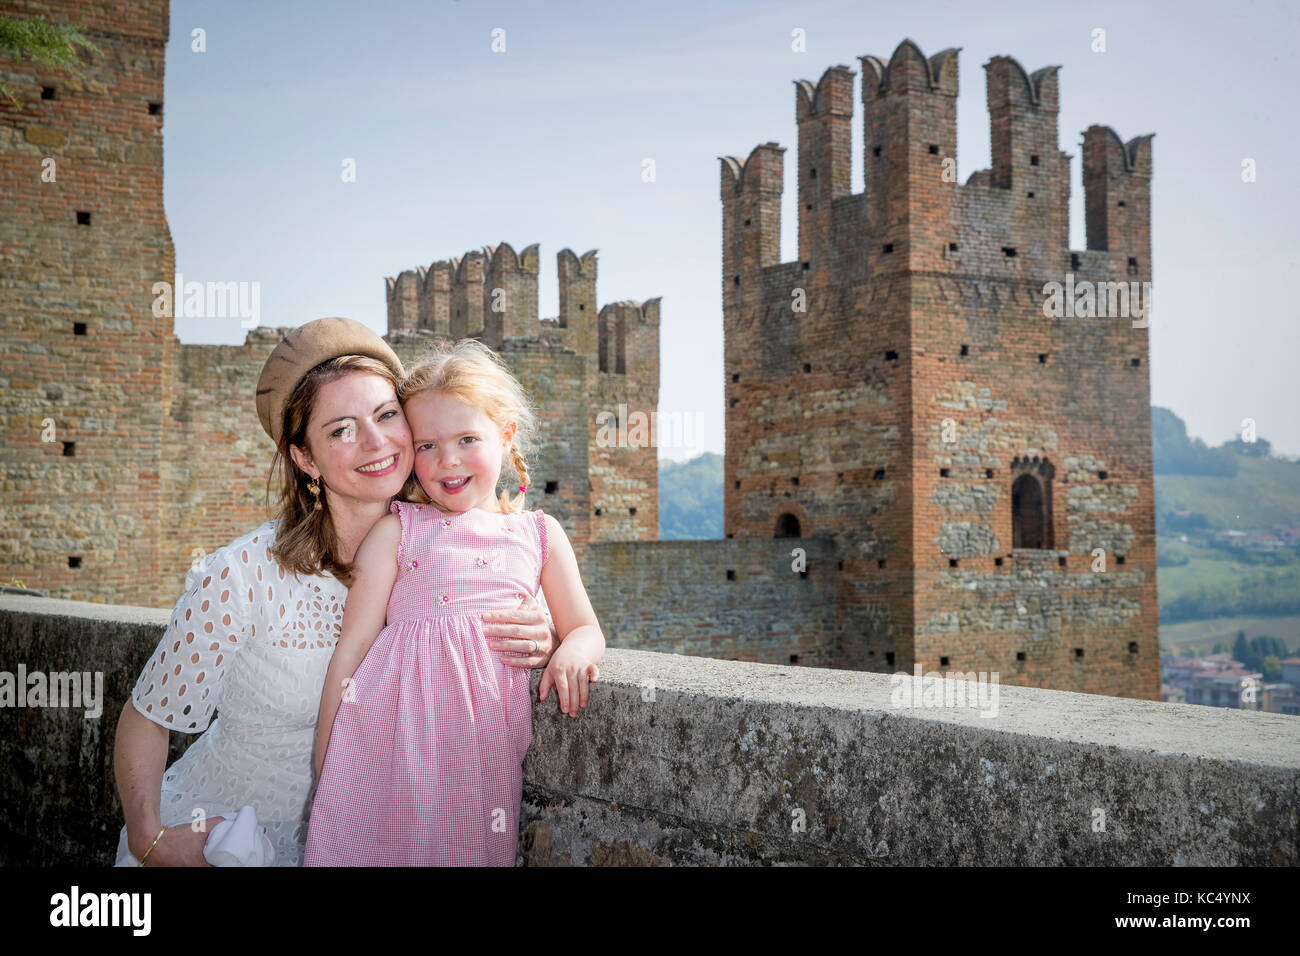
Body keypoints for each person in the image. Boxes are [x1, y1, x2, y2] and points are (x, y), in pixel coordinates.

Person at [112, 318, 559, 866]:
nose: (375, 442)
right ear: (305, 459)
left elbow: (498, 614)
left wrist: (541, 634)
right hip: (220, 841)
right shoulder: (241, 575)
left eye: (386, 415)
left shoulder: (445, 549)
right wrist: (149, 840)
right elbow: (147, 716)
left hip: (371, 844)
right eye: (341, 429)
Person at [304, 339, 604, 866]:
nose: (449, 460)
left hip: (480, 761)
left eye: (468, 438)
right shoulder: (398, 532)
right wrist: (326, 762)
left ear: (506, 435)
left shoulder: (539, 534)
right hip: (382, 752)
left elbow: (585, 627)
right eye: (427, 445)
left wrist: (571, 649)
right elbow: (350, 652)